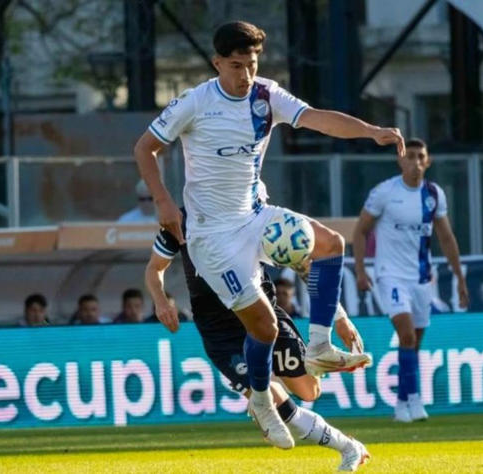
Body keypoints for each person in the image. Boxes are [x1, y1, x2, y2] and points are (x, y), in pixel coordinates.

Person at [134, 21, 400, 447]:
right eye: (236, 66)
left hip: (255, 215)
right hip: (213, 238)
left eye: (252, 64)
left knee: (330, 243)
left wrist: (370, 131)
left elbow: (317, 119)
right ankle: (260, 400)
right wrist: (164, 201)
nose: (246, 75)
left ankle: (319, 345)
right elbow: (144, 148)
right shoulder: (195, 102)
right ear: (217, 63)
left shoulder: (266, 95)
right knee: (264, 328)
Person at [145, 214, 369, 471]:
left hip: (264, 313)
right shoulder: (180, 220)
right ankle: (348, 448)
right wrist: (161, 301)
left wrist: (339, 317)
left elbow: (301, 263)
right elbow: (154, 268)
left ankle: (272, 383)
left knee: (310, 391)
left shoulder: (246, 212)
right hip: (221, 330)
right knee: (275, 402)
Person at [353, 138, 469, 423]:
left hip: (421, 278)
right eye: (411, 156)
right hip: (390, 275)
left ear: (428, 162)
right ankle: (415, 400)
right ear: (401, 160)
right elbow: (360, 231)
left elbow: (446, 237)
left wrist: (459, 277)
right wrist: (360, 270)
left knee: (414, 343)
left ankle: (401, 404)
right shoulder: (384, 192)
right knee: (405, 335)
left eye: (421, 157)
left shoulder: (434, 194)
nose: (416, 162)